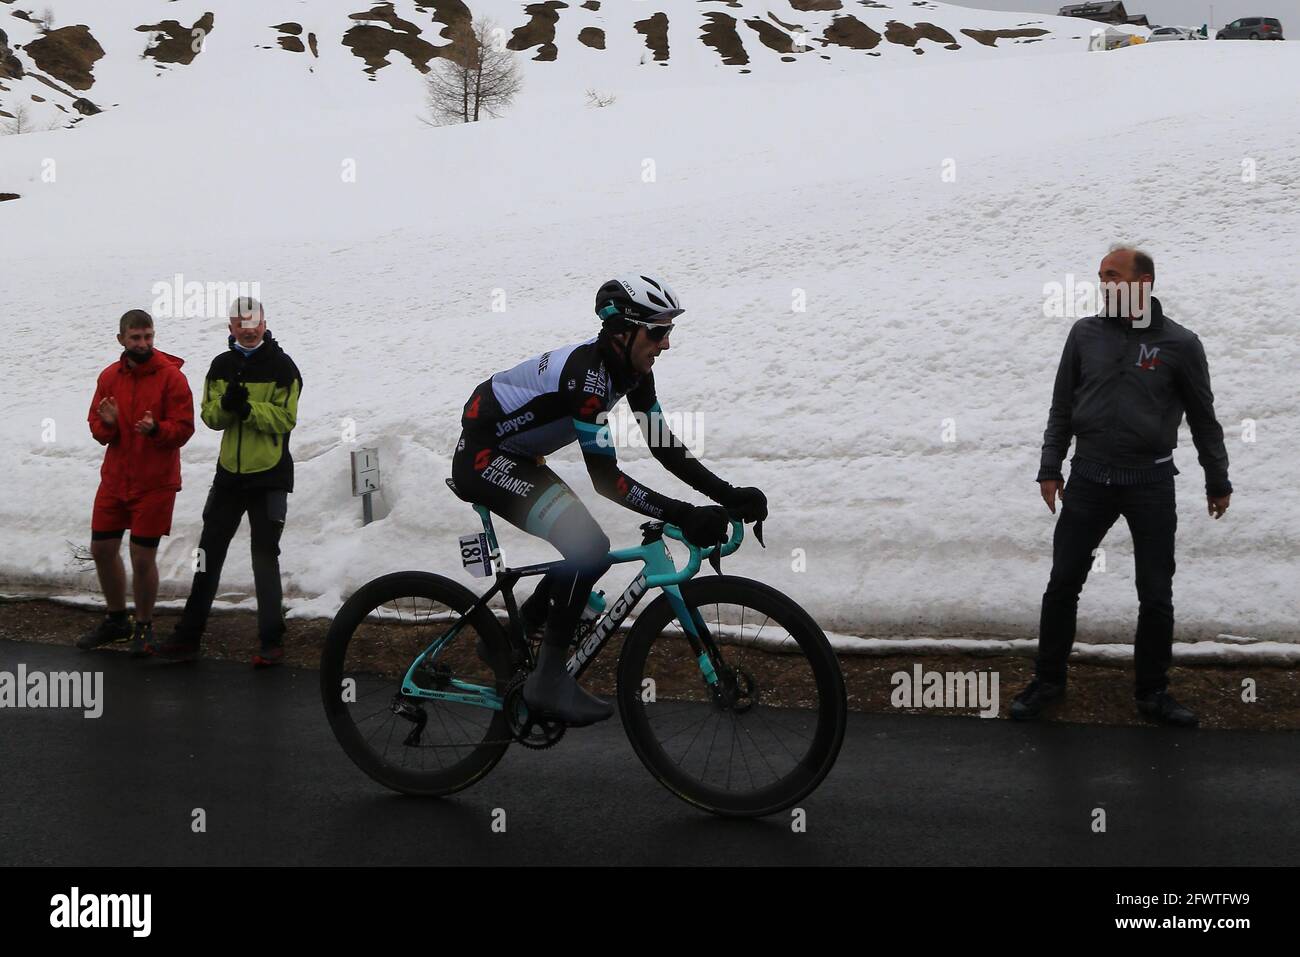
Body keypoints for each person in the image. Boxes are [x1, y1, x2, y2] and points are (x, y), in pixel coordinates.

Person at [450, 274, 768, 724]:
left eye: (669, 331)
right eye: (658, 332)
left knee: (584, 549)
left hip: (518, 455)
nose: (666, 345)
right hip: (485, 459)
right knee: (587, 548)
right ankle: (548, 681)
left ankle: (507, 639)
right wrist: (683, 513)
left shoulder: (632, 371)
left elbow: (663, 445)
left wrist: (727, 494)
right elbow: (607, 480)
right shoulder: (589, 379)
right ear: (625, 331)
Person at [1012, 246, 1233, 727]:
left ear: (1144, 281)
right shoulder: (1084, 334)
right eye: (1100, 276)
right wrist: (1051, 468)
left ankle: (1153, 693)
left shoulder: (1180, 344)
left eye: (1112, 275)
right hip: (1089, 478)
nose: (1103, 283)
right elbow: (1061, 408)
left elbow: (1203, 418)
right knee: (1063, 583)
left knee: (1155, 592)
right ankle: (1047, 680)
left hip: (1151, 483)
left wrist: (1218, 479)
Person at [149, 297, 302, 667]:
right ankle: (187, 637)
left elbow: (286, 419)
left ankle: (271, 641)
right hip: (229, 478)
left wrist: (248, 409)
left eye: (255, 324)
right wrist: (227, 407)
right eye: (241, 325)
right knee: (207, 555)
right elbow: (210, 416)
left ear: (264, 324)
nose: (249, 330)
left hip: (270, 478)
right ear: (231, 328)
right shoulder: (221, 366)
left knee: (264, 559)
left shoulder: (284, 368)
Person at [79, 309, 194, 655]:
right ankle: (117, 620)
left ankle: (143, 625)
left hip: (155, 483)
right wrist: (109, 424)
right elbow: (96, 427)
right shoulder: (109, 377)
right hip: (115, 480)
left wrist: (157, 429)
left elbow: (185, 428)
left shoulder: (171, 378)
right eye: (135, 338)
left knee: (142, 557)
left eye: (148, 337)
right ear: (121, 340)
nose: (143, 343)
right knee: (101, 549)